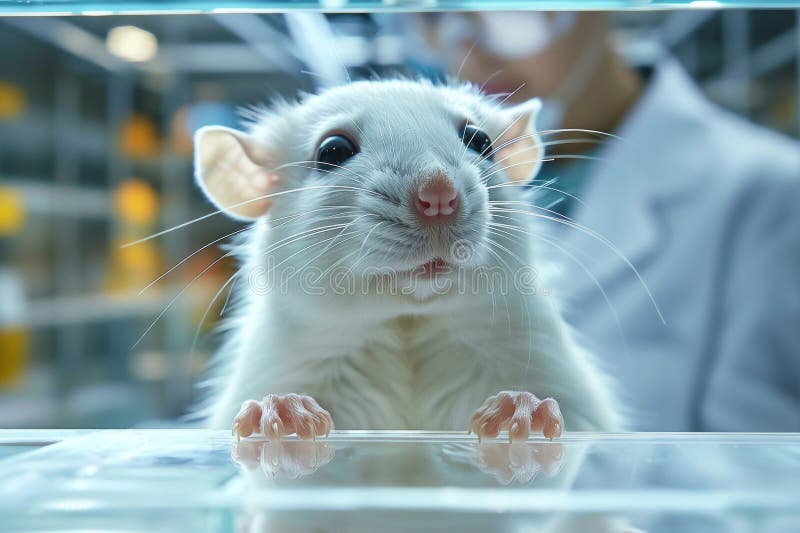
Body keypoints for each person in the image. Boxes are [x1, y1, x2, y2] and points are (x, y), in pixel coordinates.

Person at [416, 12, 800, 431]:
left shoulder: (768, 192)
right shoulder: (449, 186)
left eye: (507, 7)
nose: (469, 53)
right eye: (435, 13)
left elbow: (759, 460)